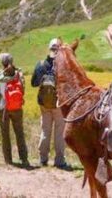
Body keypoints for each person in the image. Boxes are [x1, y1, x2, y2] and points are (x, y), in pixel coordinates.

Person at [31, 38, 68, 169]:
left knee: (45, 131)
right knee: (59, 132)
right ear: (59, 50)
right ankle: (59, 161)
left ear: (49, 49)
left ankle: (43, 159)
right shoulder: (63, 65)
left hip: (44, 104)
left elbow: (34, 83)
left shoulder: (41, 64)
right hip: (58, 104)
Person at [0, 52, 29, 167]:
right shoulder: (19, 74)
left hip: (3, 109)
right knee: (19, 133)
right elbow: (22, 90)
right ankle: (24, 159)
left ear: (2, 63)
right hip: (17, 108)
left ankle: (8, 160)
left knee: (5, 134)